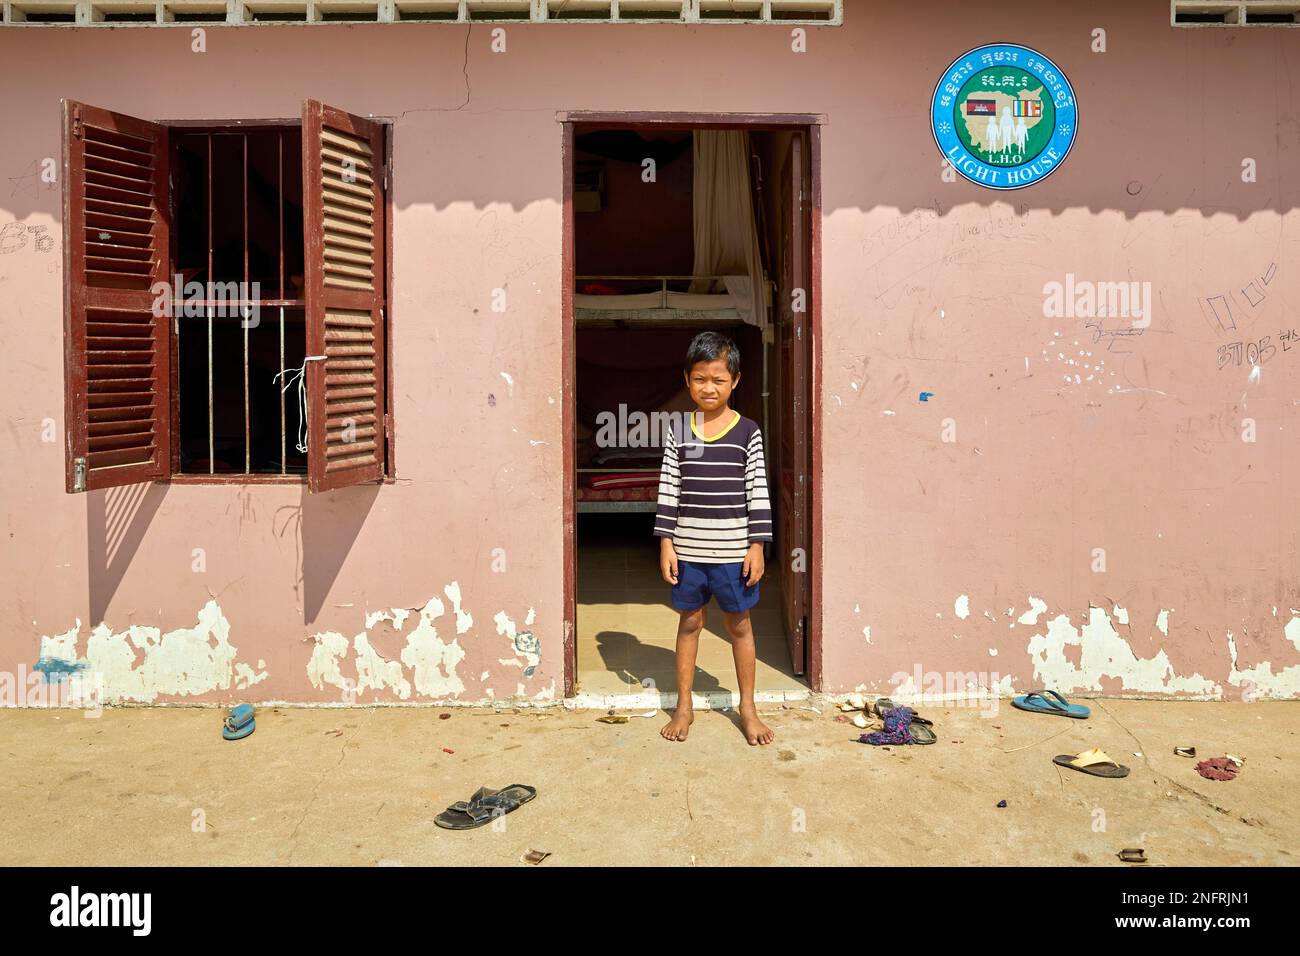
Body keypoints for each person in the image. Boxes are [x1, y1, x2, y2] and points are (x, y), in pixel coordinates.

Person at [653, 331, 774, 745]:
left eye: (719, 380)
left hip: (733, 552)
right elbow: (669, 487)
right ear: (687, 379)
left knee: (740, 625)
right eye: (700, 378)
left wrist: (756, 546)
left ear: (735, 381)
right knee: (690, 623)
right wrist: (666, 542)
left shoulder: (748, 432)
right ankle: (683, 707)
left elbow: (757, 488)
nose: (709, 388)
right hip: (688, 551)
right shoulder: (677, 431)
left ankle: (748, 708)